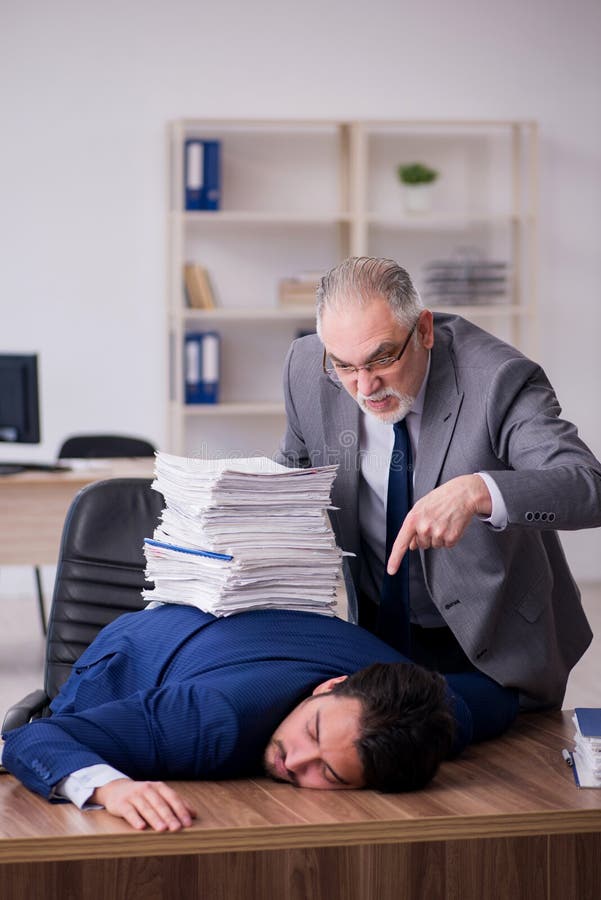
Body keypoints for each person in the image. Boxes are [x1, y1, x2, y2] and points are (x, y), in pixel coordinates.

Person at [277, 256, 601, 710]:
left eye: (382, 358)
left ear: (424, 330)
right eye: (345, 366)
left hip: (491, 645)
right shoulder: (306, 366)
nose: (365, 387)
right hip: (372, 626)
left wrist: (478, 491)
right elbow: (292, 480)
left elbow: (587, 486)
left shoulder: (498, 380)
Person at [1, 603, 518, 831]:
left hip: (255, 632)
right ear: (330, 686)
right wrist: (111, 788)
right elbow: (32, 738)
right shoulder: (211, 720)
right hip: (137, 650)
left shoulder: (439, 717)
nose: (296, 760)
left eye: (328, 773)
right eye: (313, 731)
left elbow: (504, 696)